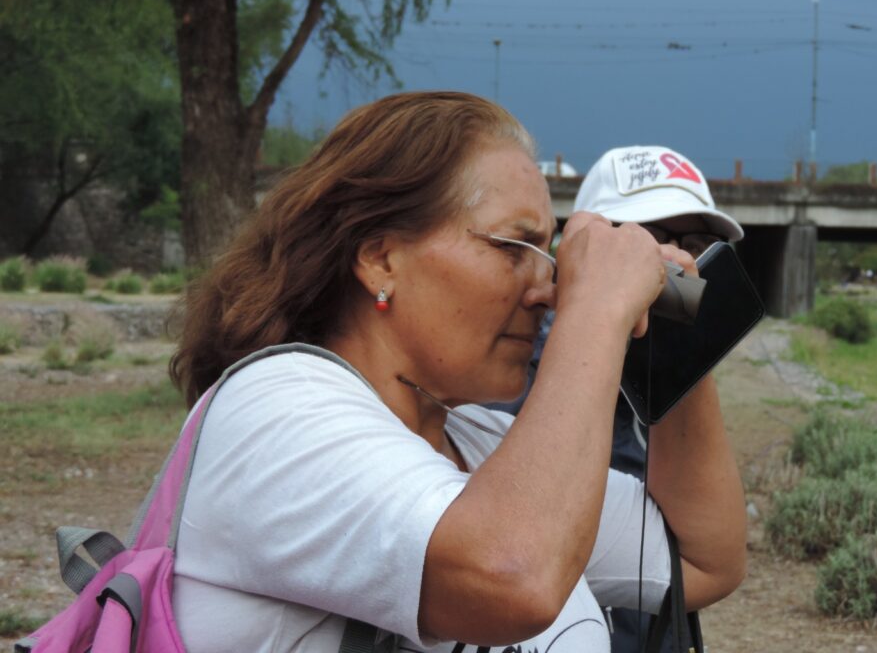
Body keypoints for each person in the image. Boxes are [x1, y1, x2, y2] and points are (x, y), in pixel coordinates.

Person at [169, 92, 746, 652]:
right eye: (514, 247)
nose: (546, 291)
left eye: (549, 256)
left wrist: (674, 342)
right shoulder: (273, 413)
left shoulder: (479, 442)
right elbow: (514, 577)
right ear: (380, 257)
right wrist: (597, 308)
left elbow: (700, 559)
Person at [573, 145, 745, 651]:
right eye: (648, 238)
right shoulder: (503, 379)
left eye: (699, 242)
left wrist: (680, 346)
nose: (678, 259)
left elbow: (704, 560)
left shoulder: (669, 377)